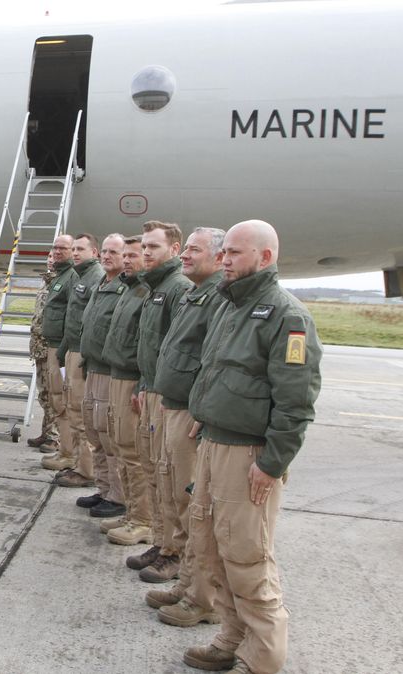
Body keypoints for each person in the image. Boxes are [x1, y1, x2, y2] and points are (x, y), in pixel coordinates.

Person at [182, 220, 321, 674]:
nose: (224, 260)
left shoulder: (287, 315)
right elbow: (217, 368)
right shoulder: (230, 304)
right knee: (211, 544)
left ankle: (262, 658)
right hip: (214, 442)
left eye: (234, 253)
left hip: (249, 455)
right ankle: (231, 635)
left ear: (265, 258)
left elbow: (295, 402)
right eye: (223, 254)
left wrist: (272, 462)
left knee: (246, 555)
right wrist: (202, 413)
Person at [146, 227, 226, 626]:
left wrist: (200, 407)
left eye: (194, 250)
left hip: (190, 414)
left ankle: (202, 597)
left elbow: (213, 359)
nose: (186, 256)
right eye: (187, 249)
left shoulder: (217, 297)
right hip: (173, 404)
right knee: (176, 494)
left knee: (193, 504)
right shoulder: (197, 294)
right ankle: (187, 583)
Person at [126, 221, 192, 575]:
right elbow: (150, 346)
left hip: (166, 397)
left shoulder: (177, 288)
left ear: (174, 249)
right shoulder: (156, 287)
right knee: (153, 470)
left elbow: (178, 349)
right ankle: (162, 542)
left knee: (169, 478)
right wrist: (141, 384)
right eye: (145, 247)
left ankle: (176, 554)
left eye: (154, 247)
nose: (147, 252)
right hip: (151, 391)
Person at [99, 234, 149, 546]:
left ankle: (143, 520)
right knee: (120, 447)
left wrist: (143, 383)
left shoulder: (148, 292)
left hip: (133, 380)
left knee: (133, 453)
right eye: (126, 255)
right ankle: (133, 512)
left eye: (133, 255)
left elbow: (152, 345)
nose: (128, 260)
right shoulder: (131, 289)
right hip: (117, 374)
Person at [76, 234, 128, 519]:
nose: (107, 256)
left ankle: (117, 496)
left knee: (109, 437)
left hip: (109, 372)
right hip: (93, 367)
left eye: (114, 252)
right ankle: (103, 488)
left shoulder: (126, 287)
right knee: (94, 433)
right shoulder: (102, 284)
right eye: (104, 252)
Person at [50, 233, 102, 490]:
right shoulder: (83, 276)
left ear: (95, 252)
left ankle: (86, 470)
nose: (76, 253)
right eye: (75, 249)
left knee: (82, 415)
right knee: (73, 410)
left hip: (82, 353)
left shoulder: (95, 277)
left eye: (81, 249)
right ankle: (79, 464)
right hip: (72, 350)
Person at [36, 234, 79, 465]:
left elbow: (72, 316)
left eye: (63, 248)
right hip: (50, 347)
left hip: (60, 350)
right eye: (55, 248)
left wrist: (62, 352)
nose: (58, 252)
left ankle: (68, 453)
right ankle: (65, 450)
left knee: (63, 402)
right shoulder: (60, 276)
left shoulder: (71, 277)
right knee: (55, 400)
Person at [27, 235, 72, 452]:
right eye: (49, 255)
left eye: (55, 255)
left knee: (54, 395)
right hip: (39, 348)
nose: (51, 259)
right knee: (44, 394)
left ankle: (55, 438)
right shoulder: (48, 282)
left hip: (50, 348)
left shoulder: (62, 282)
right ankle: (47, 432)